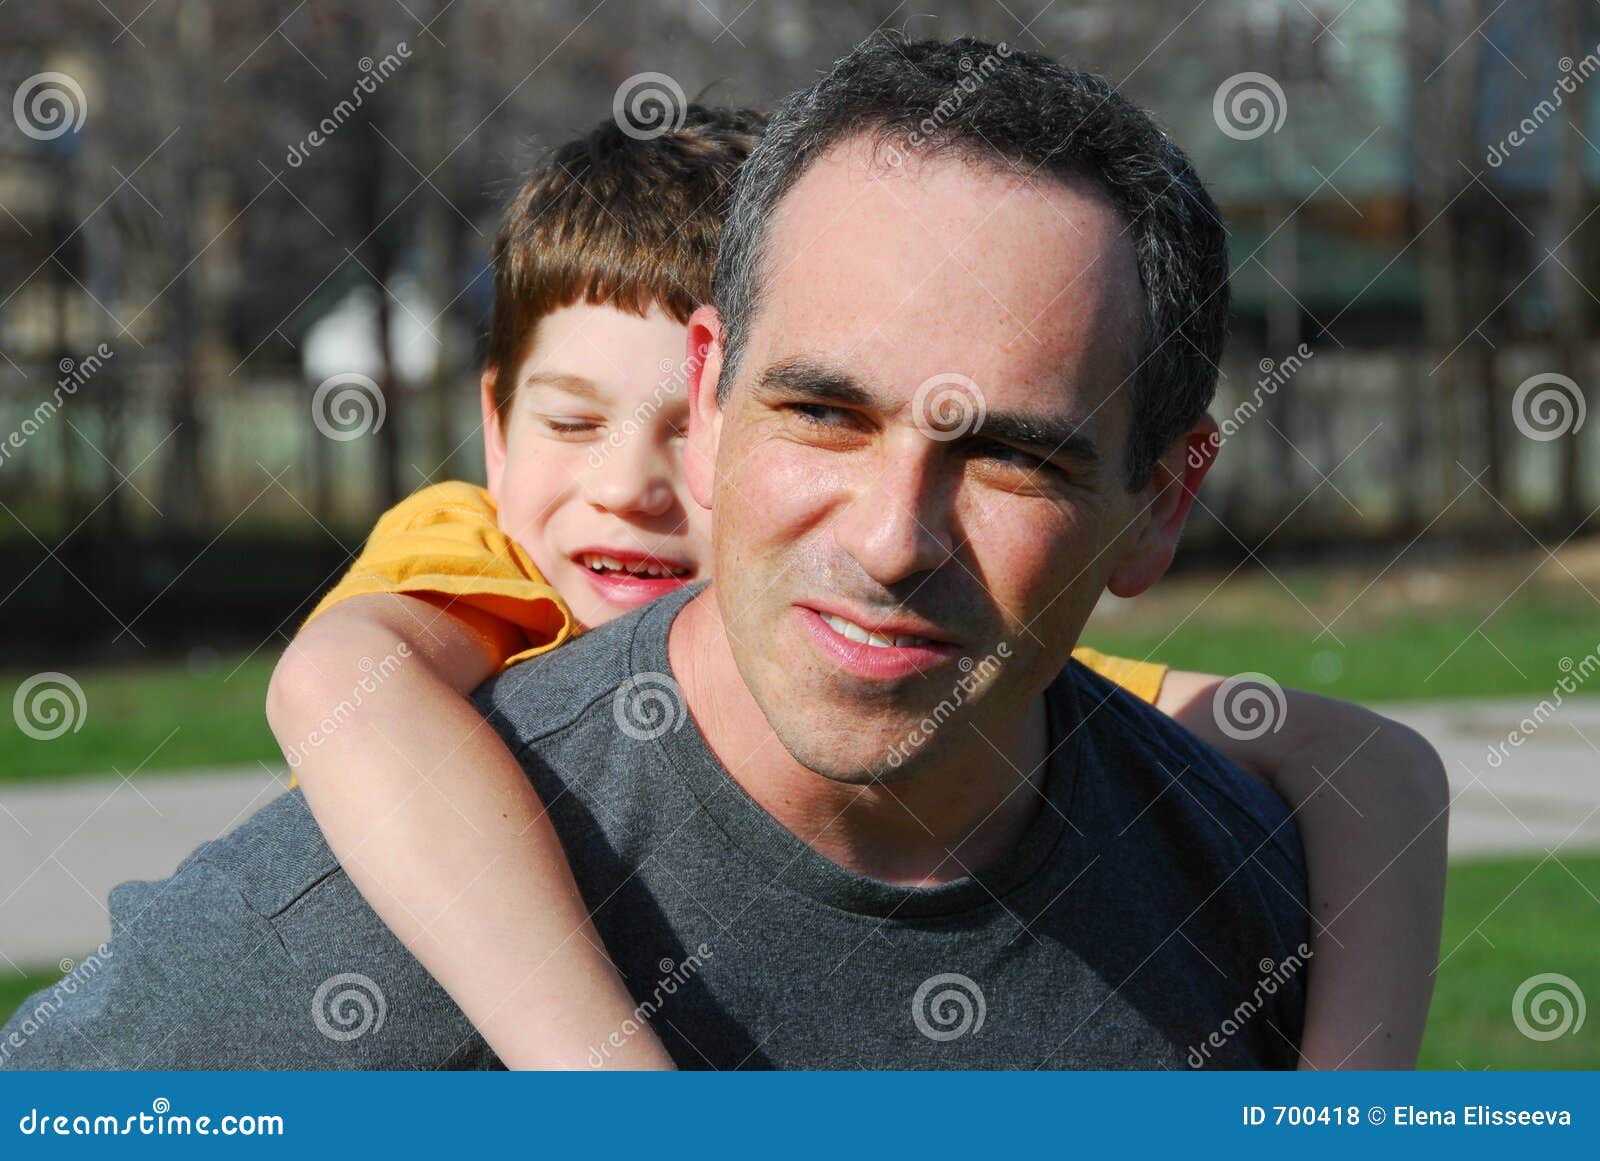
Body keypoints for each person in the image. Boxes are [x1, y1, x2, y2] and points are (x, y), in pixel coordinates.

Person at [1, 35, 1446, 1071]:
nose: (891, 542)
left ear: (1159, 502)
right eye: (823, 410)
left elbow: (1376, 763)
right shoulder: (343, 926)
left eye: (1013, 452)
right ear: (716, 397)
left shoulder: (1240, 892)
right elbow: (341, 677)